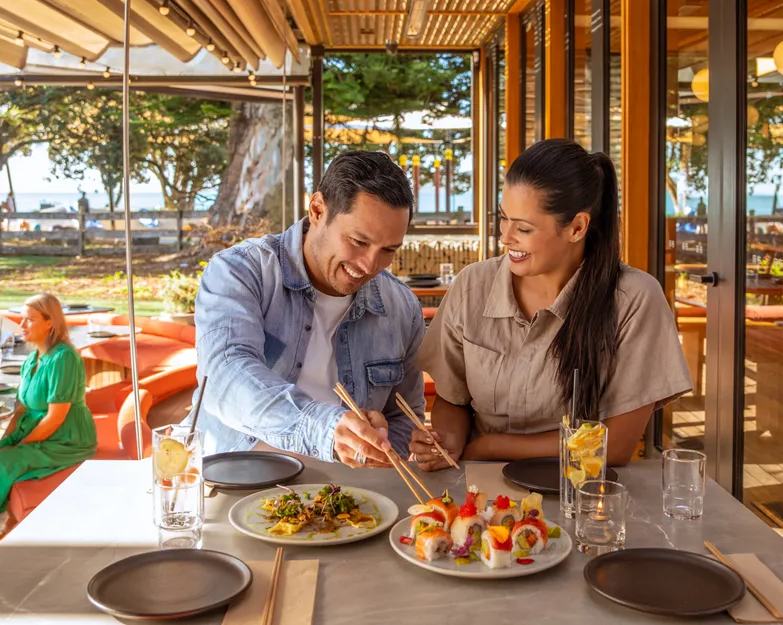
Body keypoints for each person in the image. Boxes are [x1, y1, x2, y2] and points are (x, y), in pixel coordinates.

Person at [411, 139, 692, 470]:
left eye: (524, 228)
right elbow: (451, 398)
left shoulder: (634, 299)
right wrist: (449, 440)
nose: (505, 237)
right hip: (481, 496)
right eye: (504, 218)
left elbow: (614, 446)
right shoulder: (472, 285)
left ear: (576, 227)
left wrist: (491, 446)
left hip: (583, 497)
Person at [197, 151, 426, 468]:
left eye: (388, 250)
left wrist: (381, 450)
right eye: (359, 241)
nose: (370, 265)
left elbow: (404, 416)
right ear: (318, 210)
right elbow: (226, 377)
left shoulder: (401, 306)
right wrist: (328, 430)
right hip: (238, 477)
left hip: (350, 496)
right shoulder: (240, 272)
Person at [0, 293, 96, 541]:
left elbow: (55, 418)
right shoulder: (31, 360)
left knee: (2, 463)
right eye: (21, 319)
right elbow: (20, 409)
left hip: (65, 438)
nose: (21, 326)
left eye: (29, 320)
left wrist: (18, 447)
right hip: (32, 431)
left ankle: (15, 523)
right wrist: (6, 441)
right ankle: (19, 517)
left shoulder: (64, 358)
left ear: (49, 322)